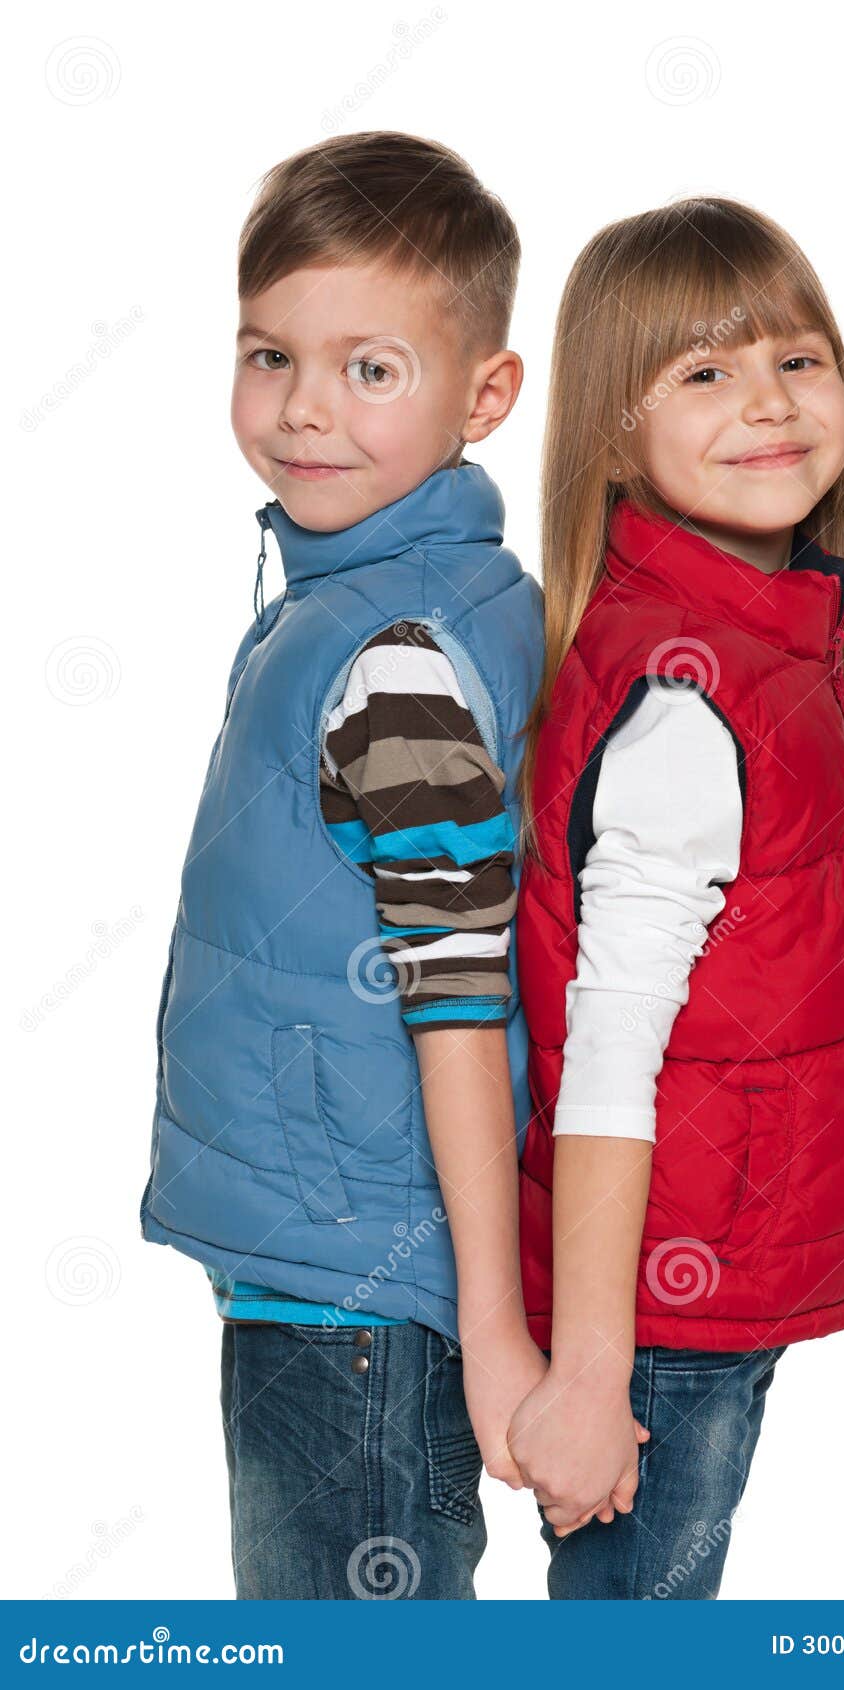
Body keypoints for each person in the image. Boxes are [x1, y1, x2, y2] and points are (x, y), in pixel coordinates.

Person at [140, 131, 547, 1599]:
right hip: (338, 1263)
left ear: (485, 394)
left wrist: (493, 1327)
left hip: (360, 1288)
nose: (305, 410)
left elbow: (456, 997)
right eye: (270, 356)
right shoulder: (401, 591)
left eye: (372, 368)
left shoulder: (393, 655)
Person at [508, 197, 844, 1600]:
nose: (769, 404)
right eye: (705, 373)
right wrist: (594, 1369)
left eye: (797, 358)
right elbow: (609, 1050)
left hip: (708, 1271)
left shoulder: (769, 637)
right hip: (668, 1300)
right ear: (615, 435)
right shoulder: (690, 694)